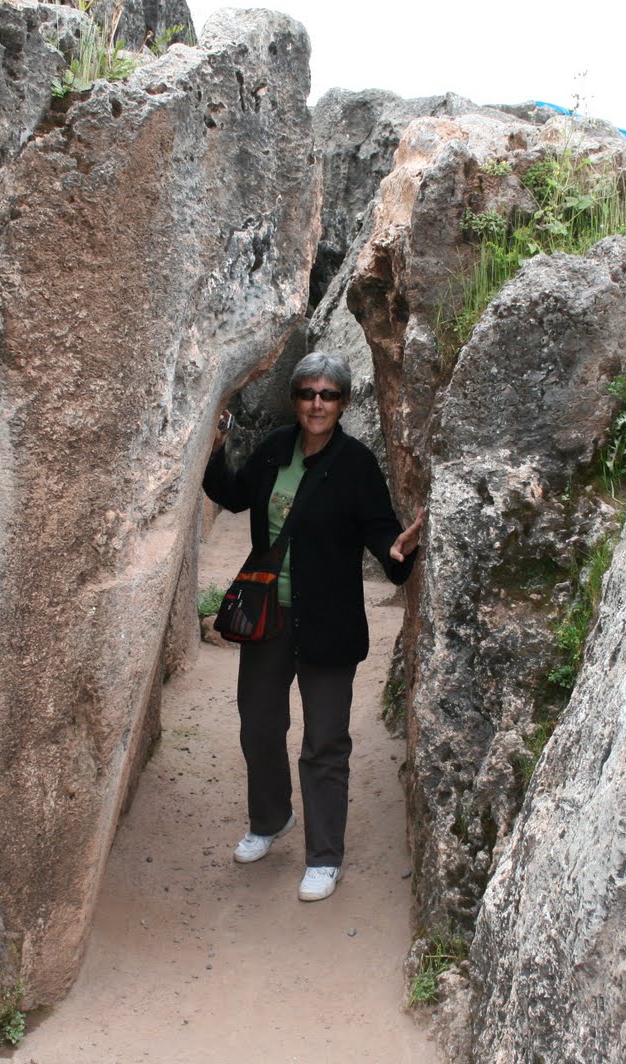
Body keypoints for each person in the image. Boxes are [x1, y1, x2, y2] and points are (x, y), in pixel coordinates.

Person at [203, 351, 425, 902]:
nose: (317, 404)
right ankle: (270, 818)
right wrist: (210, 450)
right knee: (258, 725)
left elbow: (381, 533)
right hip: (268, 617)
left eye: (328, 395)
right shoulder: (277, 449)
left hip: (327, 624)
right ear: (295, 399)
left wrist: (400, 551)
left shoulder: (356, 465)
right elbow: (233, 495)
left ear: (344, 403)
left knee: (324, 742)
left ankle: (325, 855)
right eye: (307, 393)